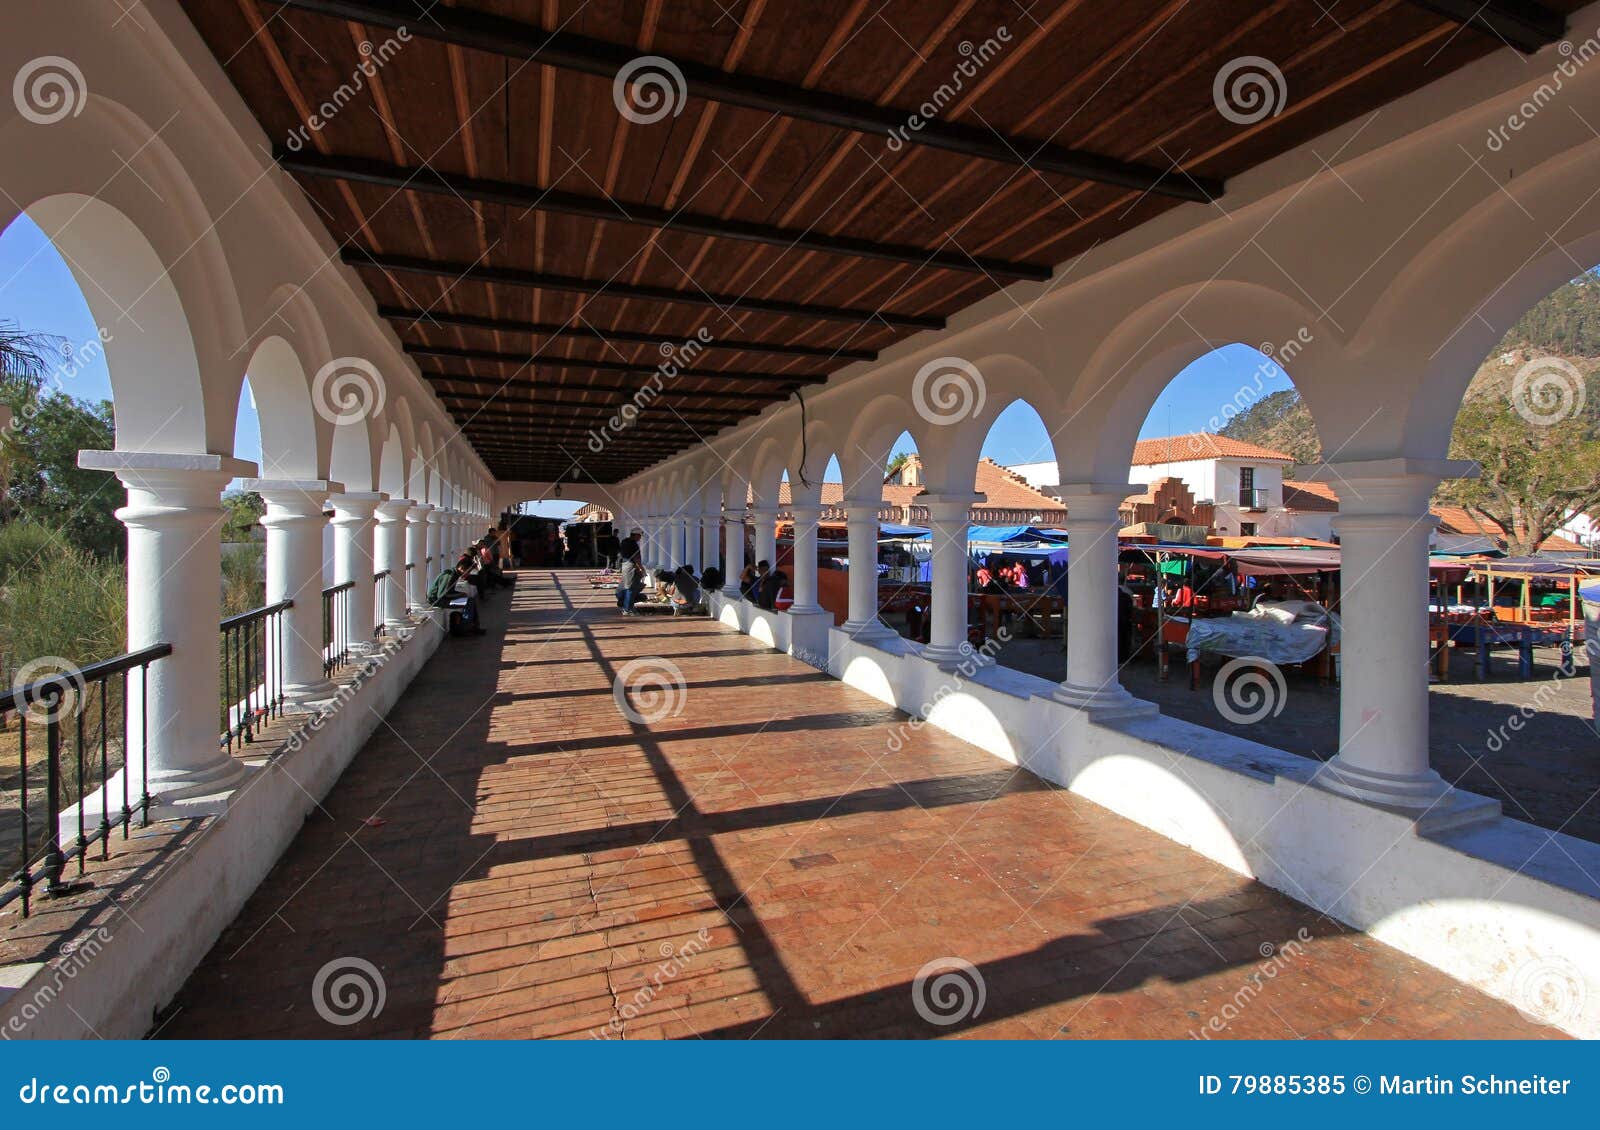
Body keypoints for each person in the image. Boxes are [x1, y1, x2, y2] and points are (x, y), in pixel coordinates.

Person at [428, 555, 486, 635]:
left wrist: (460, 595)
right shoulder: (449, 575)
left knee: (471, 600)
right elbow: (442, 594)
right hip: (438, 601)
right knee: (469, 602)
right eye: (468, 571)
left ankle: (474, 627)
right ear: (461, 568)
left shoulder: (455, 574)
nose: (468, 574)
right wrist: (460, 594)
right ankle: (465, 628)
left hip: (444, 599)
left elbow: (448, 591)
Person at [616, 550, 645, 614]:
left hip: (619, 594)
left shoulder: (627, 573)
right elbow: (632, 590)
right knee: (640, 596)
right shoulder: (634, 578)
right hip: (622, 595)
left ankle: (624, 604)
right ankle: (627, 609)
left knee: (632, 592)